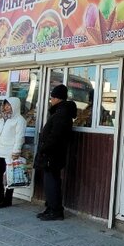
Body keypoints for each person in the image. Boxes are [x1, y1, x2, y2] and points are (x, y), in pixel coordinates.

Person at [35, 84, 76, 221]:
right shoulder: (60, 112)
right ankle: (50, 207)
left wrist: (44, 148)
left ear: (57, 98)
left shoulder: (61, 113)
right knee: (50, 181)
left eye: (52, 97)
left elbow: (55, 136)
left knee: (52, 182)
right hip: (53, 154)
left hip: (53, 154)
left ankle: (55, 210)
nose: (51, 100)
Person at [0, 97, 26, 208]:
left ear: (15, 106)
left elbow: (19, 136)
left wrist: (16, 151)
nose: (6, 107)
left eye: (9, 105)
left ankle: (7, 200)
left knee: (10, 178)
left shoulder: (20, 120)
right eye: (5, 105)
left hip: (9, 153)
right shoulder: (3, 119)